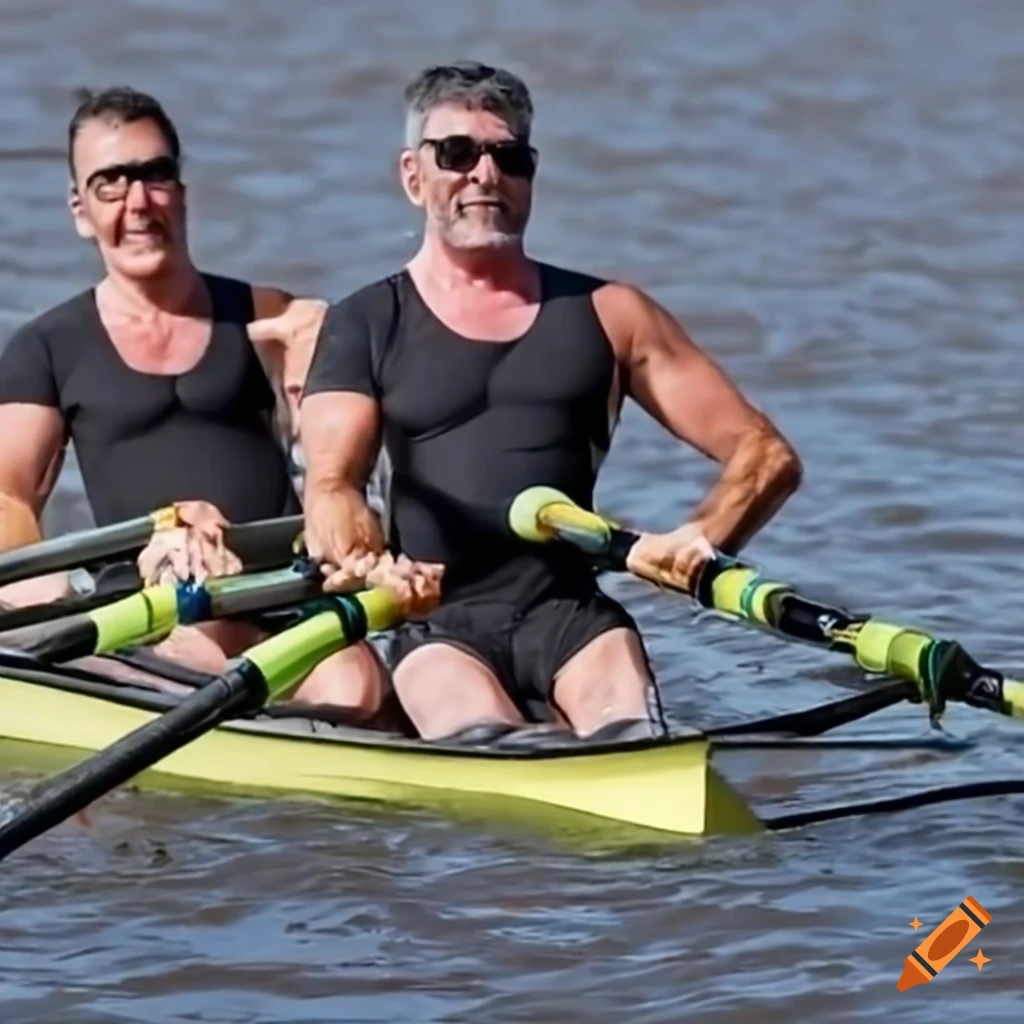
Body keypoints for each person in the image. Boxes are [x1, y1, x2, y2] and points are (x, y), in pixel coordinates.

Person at [303, 61, 804, 741]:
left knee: (635, 740)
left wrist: (704, 538)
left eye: (509, 158)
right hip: (435, 623)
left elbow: (766, 454)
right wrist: (371, 563)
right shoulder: (363, 322)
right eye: (457, 153)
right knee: (487, 743)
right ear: (413, 175)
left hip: (572, 617)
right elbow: (332, 485)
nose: (486, 175)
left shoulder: (612, 315)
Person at [0, 85, 435, 711]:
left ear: (181, 191)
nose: (139, 202)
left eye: (155, 175)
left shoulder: (273, 318)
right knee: (189, 647)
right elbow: (10, 497)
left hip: (282, 598)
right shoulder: (46, 348)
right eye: (111, 184)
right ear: (80, 210)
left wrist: (326, 355)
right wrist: (41, 600)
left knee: (358, 688)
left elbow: (349, 463)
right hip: (153, 602)